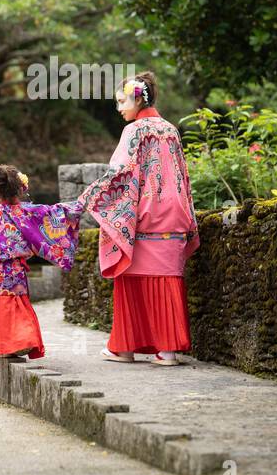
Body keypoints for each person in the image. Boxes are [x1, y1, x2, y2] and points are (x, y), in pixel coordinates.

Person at [79, 71, 199, 366]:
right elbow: (182, 174)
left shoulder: (134, 132)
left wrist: (88, 198)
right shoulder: (171, 129)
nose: (119, 108)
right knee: (166, 279)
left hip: (145, 214)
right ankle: (167, 351)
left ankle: (125, 347)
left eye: (122, 102)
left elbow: (119, 174)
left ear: (136, 98)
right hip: (175, 212)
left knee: (131, 279)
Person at [0, 164, 84, 359]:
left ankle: (9, 345)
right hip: (16, 270)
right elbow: (57, 213)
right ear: (21, 189)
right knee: (16, 307)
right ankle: (21, 342)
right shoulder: (29, 213)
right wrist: (83, 202)